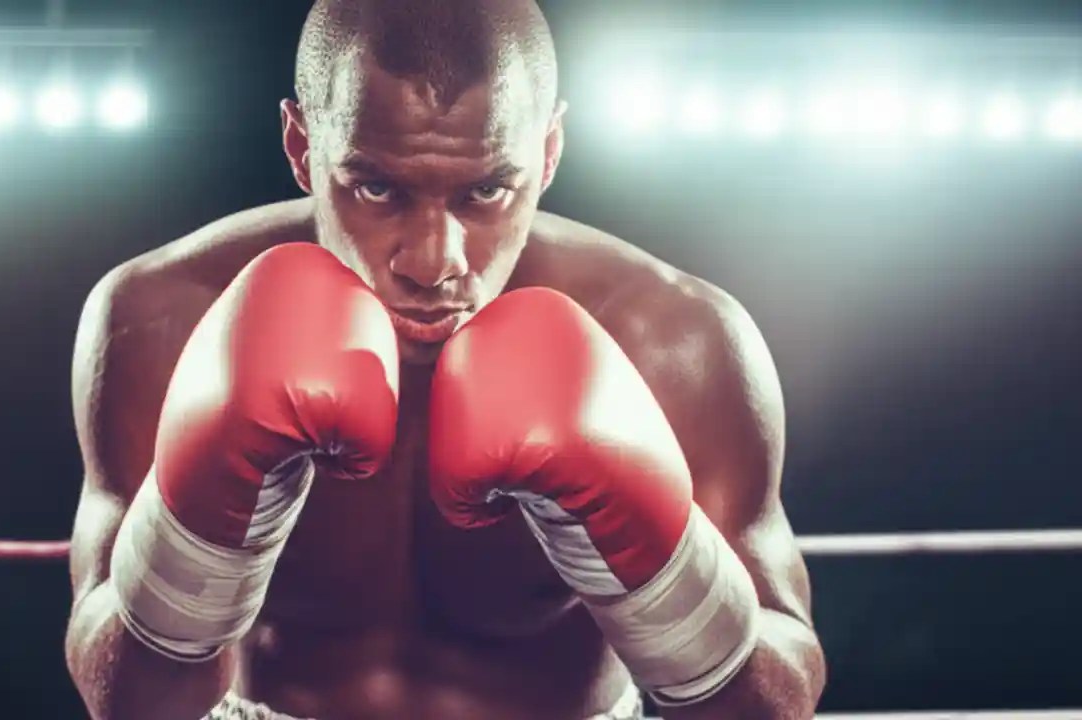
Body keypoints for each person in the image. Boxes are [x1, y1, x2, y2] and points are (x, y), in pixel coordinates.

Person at [64, 1, 826, 718]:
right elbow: (124, 697)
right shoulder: (161, 317)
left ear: (549, 152)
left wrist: (679, 599)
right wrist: (182, 574)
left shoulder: (675, 342)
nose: (435, 261)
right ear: (303, 147)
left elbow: (779, 694)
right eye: (377, 187)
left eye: (488, 190)